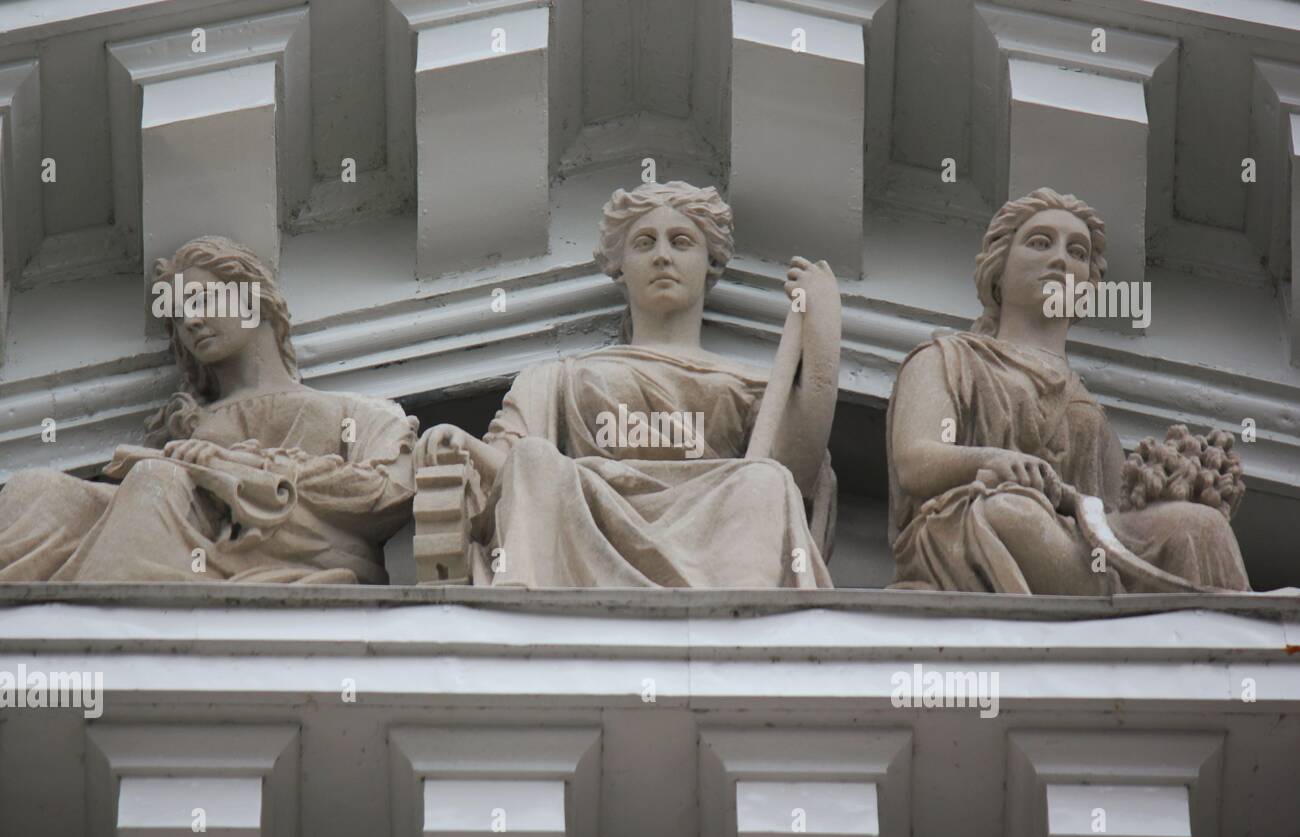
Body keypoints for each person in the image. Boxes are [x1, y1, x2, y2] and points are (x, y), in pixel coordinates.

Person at [419, 181, 840, 587]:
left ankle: (742, 608)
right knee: (533, 456)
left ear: (710, 261)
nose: (662, 256)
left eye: (680, 241)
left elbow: (795, 471)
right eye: (644, 243)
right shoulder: (558, 378)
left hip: (717, 524)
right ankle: (529, 595)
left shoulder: (748, 385)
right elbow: (511, 465)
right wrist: (461, 444)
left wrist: (823, 332)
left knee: (765, 480)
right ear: (619, 265)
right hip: (586, 519)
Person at [887, 188, 1249, 594]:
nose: (1060, 258)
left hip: (1085, 546)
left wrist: (1171, 484)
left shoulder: (1091, 413)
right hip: (999, 524)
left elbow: (1111, 516)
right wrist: (994, 459)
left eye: (1077, 252)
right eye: (1040, 243)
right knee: (1012, 513)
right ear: (998, 271)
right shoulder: (949, 358)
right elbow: (915, 460)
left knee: (1199, 525)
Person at [0, 236, 417, 584]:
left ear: (254, 301)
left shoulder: (355, 412)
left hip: (282, 547)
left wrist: (245, 465)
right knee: (37, 488)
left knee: (156, 477)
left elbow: (390, 490)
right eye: (180, 315)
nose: (192, 321)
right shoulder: (185, 426)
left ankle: (93, 629)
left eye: (201, 300)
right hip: (174, 525)